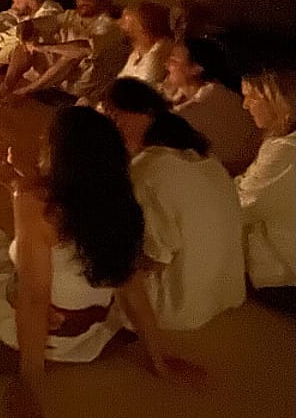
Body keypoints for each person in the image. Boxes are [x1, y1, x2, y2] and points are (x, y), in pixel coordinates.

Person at [0, 107, 191, 416]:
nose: (41, 143)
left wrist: (31, 382)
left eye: (47, 141)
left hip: (42, 337)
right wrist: (158, 360)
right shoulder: (120, 204)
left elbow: (34, 298)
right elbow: (131, 289)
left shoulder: (34, 203)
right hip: (85, 341)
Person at [102, 78, 245, 330]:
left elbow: (156, 256)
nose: (113, 126)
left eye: (116, 116)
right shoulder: (201, 155)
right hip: (225, 291)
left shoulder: (148, 170)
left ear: (146, 113)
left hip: (183, 306)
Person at [0, 0, 126, 106]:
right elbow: (35, 24)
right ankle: (6, 87)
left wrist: (45, 47)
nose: (83, 1)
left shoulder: (109, 25)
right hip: (58, 77)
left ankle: (24, 92)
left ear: (101, 3)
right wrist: (26, 35)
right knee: (25, 46)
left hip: (80, 86)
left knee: (70, 54)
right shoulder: (70, 16)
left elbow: (85, 48)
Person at [237, 70, 296, 305]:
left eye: (252, 97)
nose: (244, 105)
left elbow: (240, 207)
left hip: (284, 278)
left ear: (278, 99)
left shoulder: (286, 151)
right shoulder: (281, 144)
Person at [166, 38, 260, 175]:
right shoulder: (183, 95)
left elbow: (169, 123)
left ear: (196, 68)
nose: (166, 65)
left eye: (173, 61)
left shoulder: (215, 99)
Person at [117, 1, 173, 89]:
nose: (119, 23)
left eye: (124, 19)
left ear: (141, 26)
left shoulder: (158, 55)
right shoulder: (137, 52)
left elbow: (138, 93)